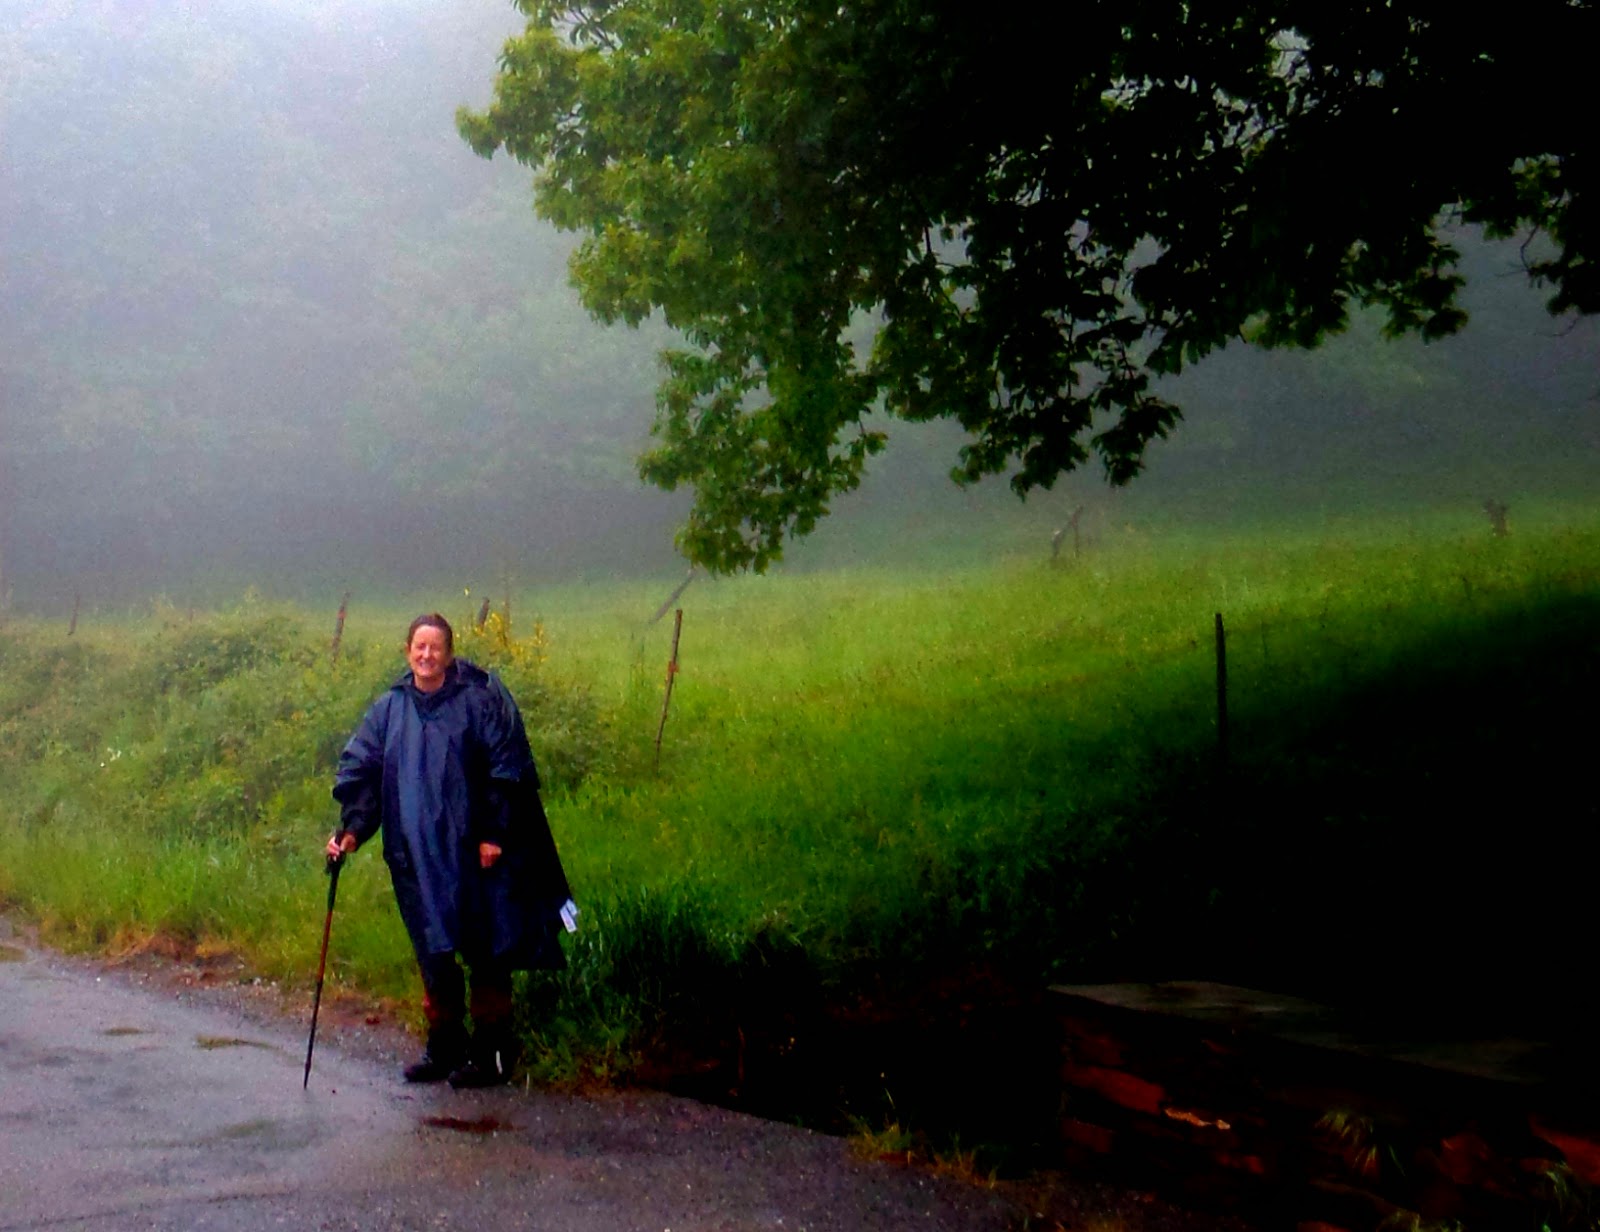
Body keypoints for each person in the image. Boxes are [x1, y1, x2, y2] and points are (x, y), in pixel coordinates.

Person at [326, 612, 571, 1088]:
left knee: (485, 950)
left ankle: (492, 1052)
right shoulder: (389, 710)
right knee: (432, 952)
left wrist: (494, 834)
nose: (426, 655)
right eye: (419, 646)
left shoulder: (477, 702)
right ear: (407, 651)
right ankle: (444, 1047)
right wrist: (352, 832)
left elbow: (506, 769)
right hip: (414, 856)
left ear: (449, 653)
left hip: (473, 855)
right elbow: (366, 777)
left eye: (435, 647)